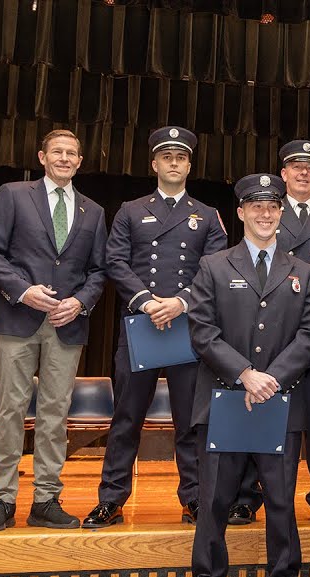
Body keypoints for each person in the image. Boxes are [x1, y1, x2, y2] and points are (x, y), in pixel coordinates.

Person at [180, 173, 310, 577]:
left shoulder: (301, 271)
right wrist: (245, 374)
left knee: (282, 500)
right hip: (226, 399)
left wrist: (272, 379)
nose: (265, 213)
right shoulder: (215, 266)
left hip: (279, 402)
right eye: (256, 206)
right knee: (215, 500)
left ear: (281, 213)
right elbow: (202, 330)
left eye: (273, 206)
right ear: (241, 213)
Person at [85, 126, 228, 528]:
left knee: (189, 420)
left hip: (187, 326)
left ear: (189, 165)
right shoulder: (131, 210)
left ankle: (195, 498)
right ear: (154, 164)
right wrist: (148, 302)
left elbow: (214, 268)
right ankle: (111, 499)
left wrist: (180, 302)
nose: (174, 163)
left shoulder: (208, 215)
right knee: (126, 419)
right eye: (167, 157)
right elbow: (115, 261)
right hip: (141, 325)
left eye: (181, 157)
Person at [0, 129, 108, 532]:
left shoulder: (94, 211)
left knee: (55, 413)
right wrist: (22, 291)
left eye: (72, 153)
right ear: (42, 156)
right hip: (19, 318)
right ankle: (2, 500)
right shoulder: (15, 194)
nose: (65, 158)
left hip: (66, 324)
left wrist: (81, 302)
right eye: (57, 152)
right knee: (11, 410)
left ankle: (46, 499)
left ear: (80, 161)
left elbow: (100, 270)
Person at [230, 140, 310, 525]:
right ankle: (248, 495)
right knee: (257, 409)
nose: (303, 173)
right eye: (296, 167)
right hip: (268, 330)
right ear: (283, 174)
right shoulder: (265, 212)